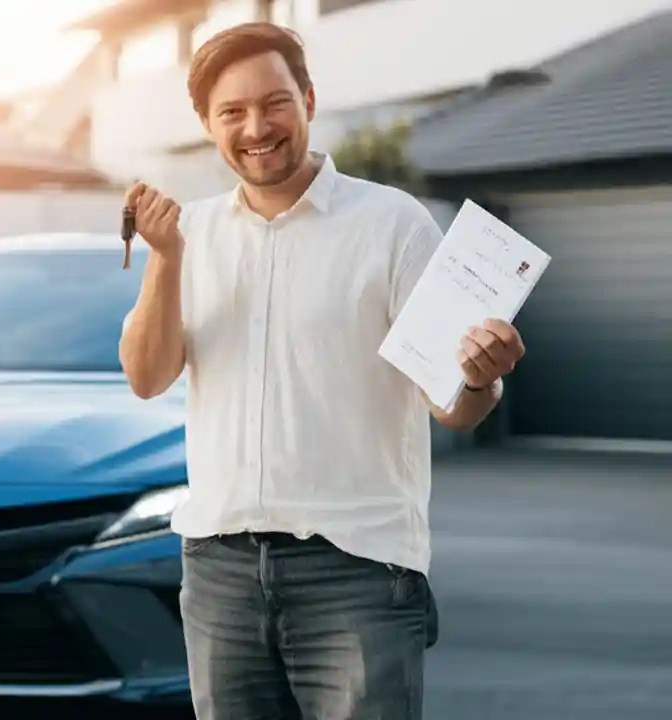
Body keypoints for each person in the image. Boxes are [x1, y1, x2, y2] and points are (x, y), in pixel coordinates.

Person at [117, 22, 525, 720]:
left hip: (357, 571)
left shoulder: (393, 225)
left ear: (308, 99)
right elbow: (147, 376)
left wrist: (482, 376)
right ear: (208, 126)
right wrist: (165, 256)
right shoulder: (191, 235)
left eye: (275, 102)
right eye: (232, 113)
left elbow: (453, 406)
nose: (256, 127)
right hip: (220, 572)